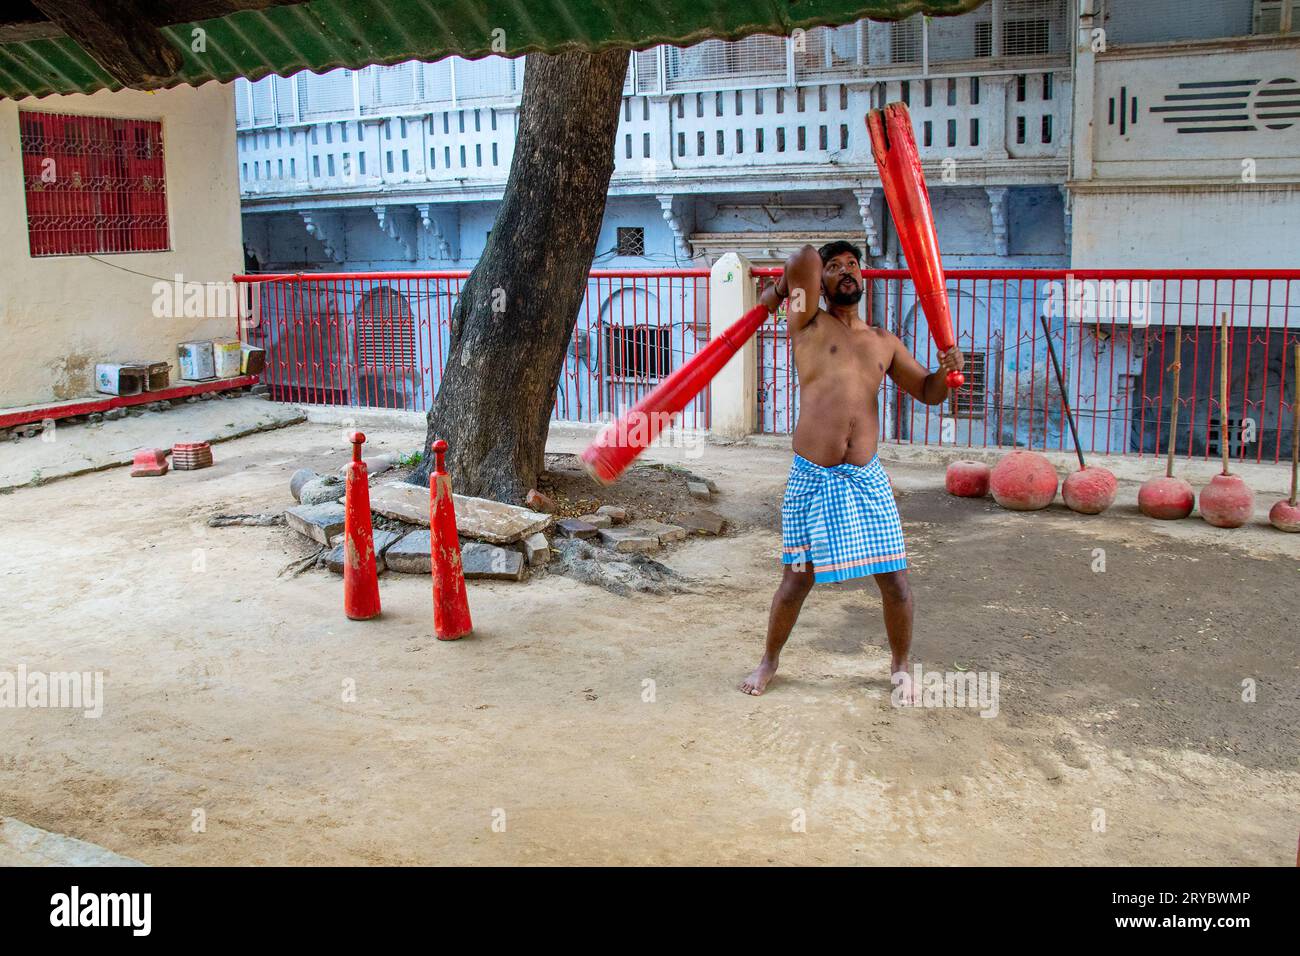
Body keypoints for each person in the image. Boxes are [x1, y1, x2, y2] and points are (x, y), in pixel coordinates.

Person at [740, 241, 964, 698]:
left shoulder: (883, 341)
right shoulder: (805, 323)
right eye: (835, 266)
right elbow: (801, 256)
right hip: (811, 476)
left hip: (866, 479)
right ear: (818, 282)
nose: (846, 271)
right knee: (797, 578)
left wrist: (946, 371)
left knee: (896, 580)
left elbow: (928, 391)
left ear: (864, 278)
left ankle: (900, 666)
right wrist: (778, 294)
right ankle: (769, 661)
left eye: (853, 265)